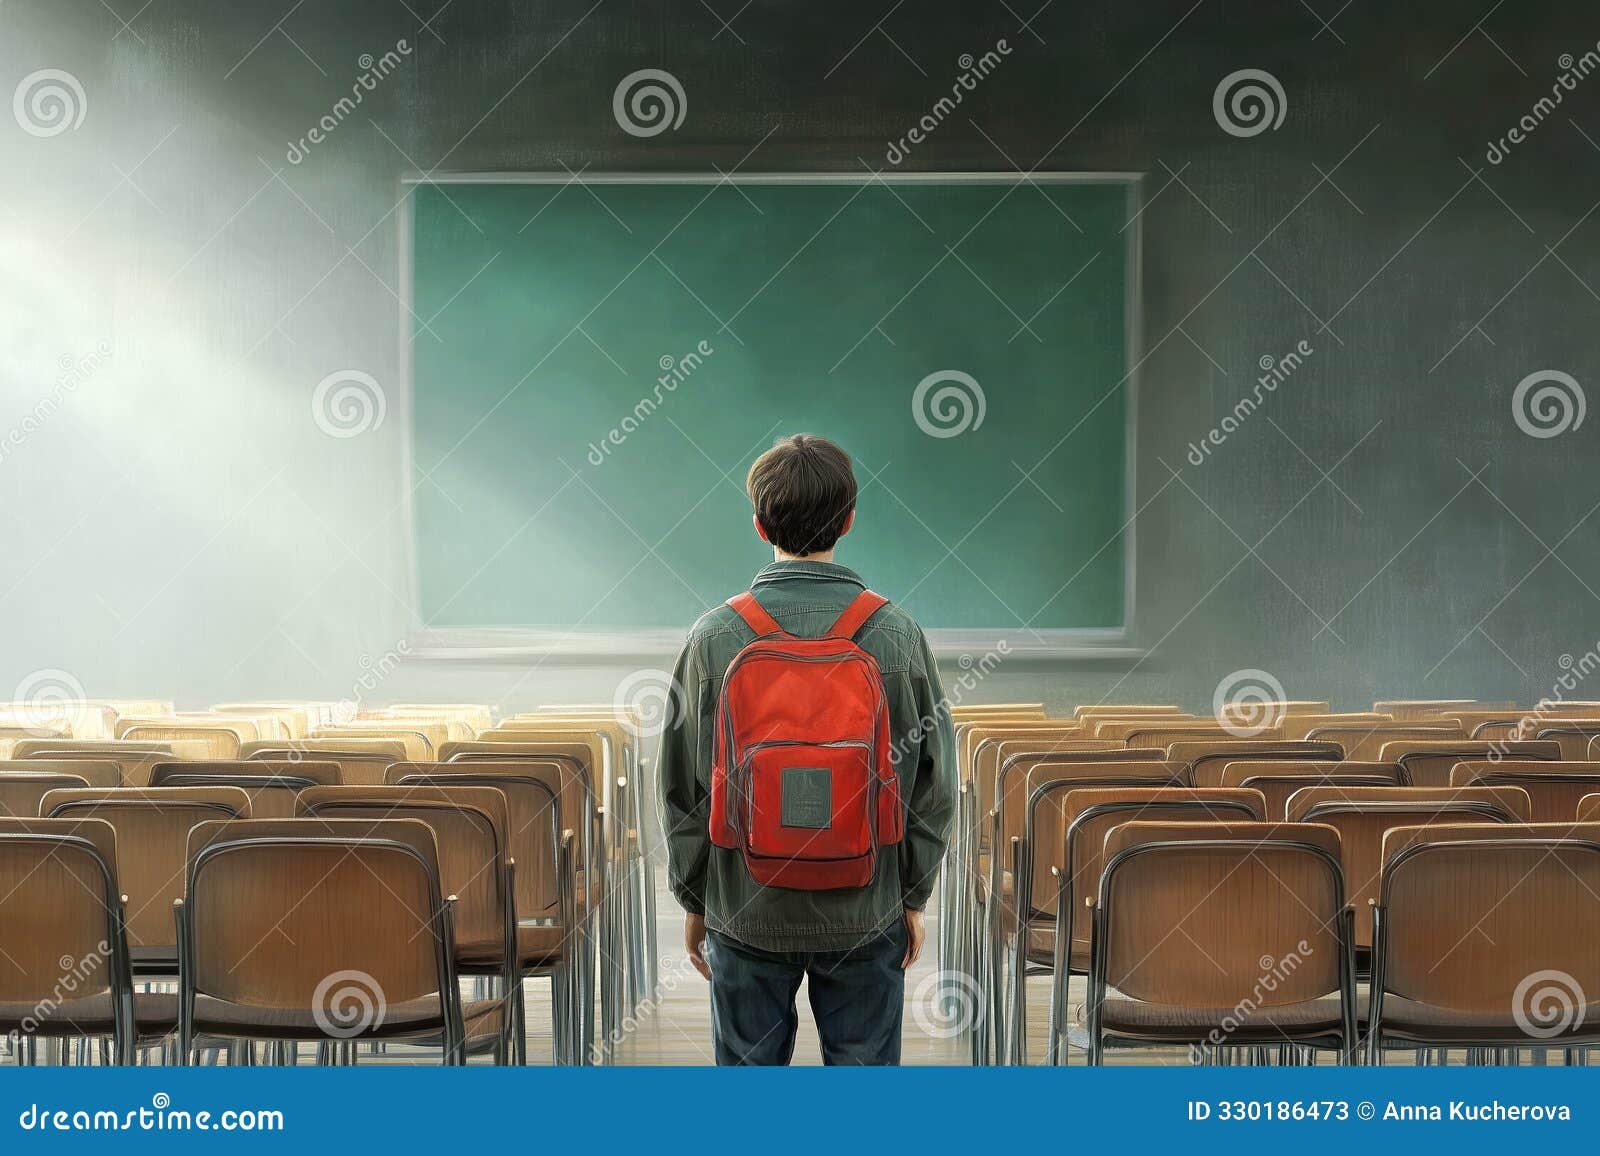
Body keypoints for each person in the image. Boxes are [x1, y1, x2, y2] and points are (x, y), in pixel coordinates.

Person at [655, 432, 956, 1065]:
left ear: (759, 522)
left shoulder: (712, 637)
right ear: (849, 519)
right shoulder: (897, 634)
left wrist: (696, 898)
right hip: (865, 905)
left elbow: (681, 785)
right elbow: (934, 782)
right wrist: (912, 896)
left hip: (746, 906)